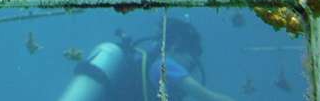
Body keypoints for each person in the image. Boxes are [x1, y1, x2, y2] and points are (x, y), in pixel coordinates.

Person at [58, 19, 235, 101]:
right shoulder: (165, 66)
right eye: (192, 57)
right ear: (176, 45)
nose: (191, 66)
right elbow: (207, 96)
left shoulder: (148, 68)